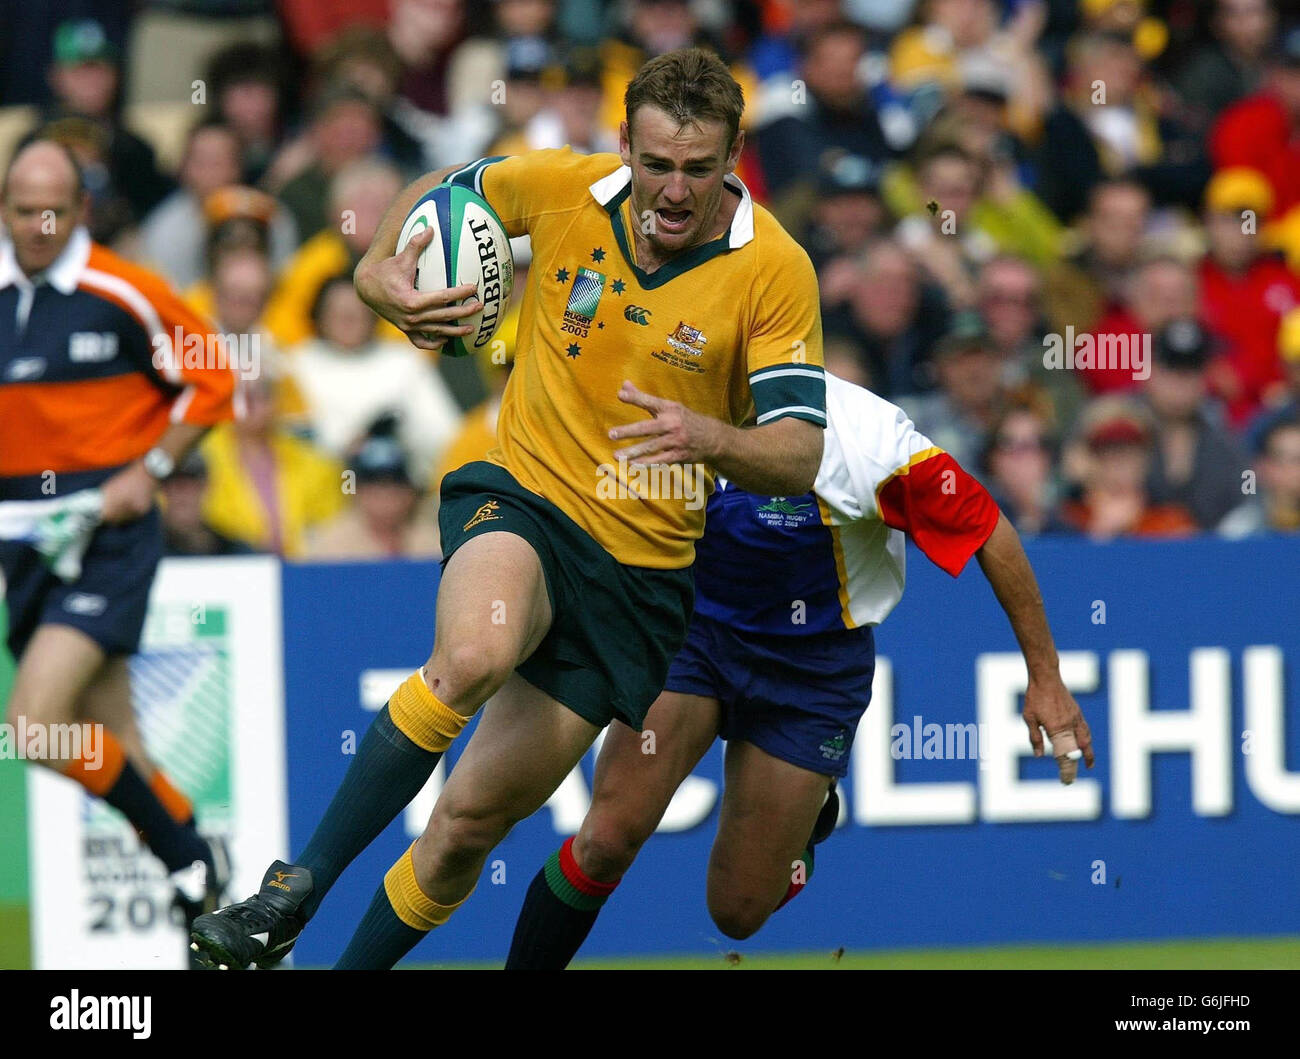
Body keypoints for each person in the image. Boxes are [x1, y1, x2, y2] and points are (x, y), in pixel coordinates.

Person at [191, 47, 829, 971]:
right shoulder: (568, 190)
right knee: (475, 653)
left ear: (734, 155)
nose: (675, 190)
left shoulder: (774, 270)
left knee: (461, 830)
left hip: (638, 582)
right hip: (526, 500)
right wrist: (378, 273)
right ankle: (290, 893)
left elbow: (800, 453)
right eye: (656, 165)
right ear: (625, 146)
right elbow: (443, 185)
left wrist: (713, 437)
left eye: (698, 168)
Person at [504, 372, 1093, 967]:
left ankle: (811, 823)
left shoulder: (871, 440)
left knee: (736, 911)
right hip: (691, 634)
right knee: (606, 838)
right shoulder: (671, 389)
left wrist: (1045, 679)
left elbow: (988, 530)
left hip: (813, 671)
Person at [0, 140, 235, 940]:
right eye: (25, 207)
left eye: (56, 209)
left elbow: (216, 375)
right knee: (119, 741)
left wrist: (156, 466)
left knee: (33, 725)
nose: (40, 224)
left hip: (107, 531)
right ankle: (203, 880)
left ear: (82, 210)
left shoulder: (125, 289)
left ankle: (182, 849)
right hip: (21, 548)